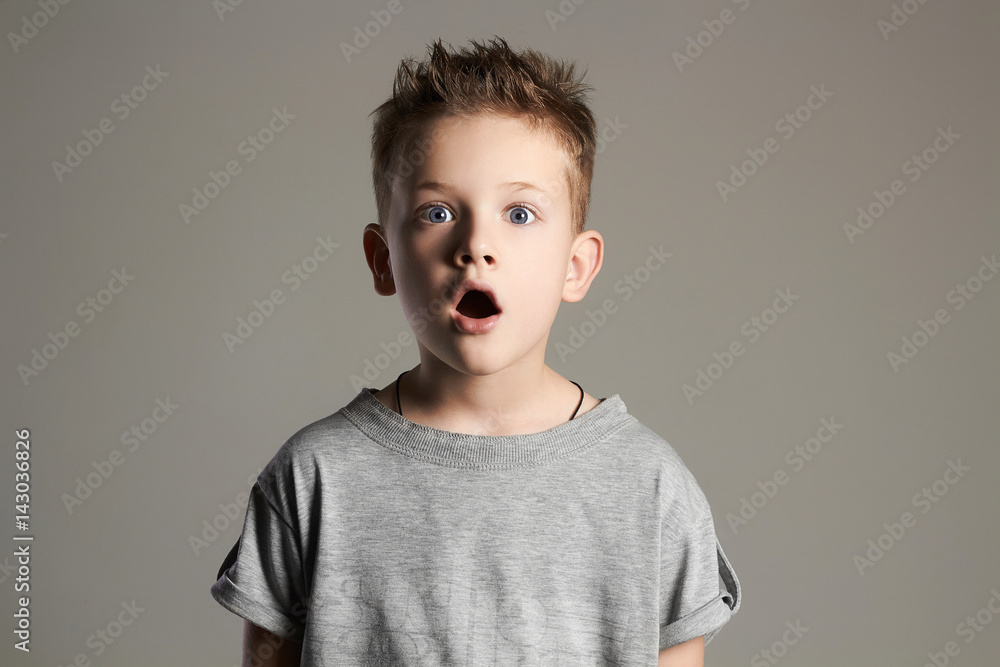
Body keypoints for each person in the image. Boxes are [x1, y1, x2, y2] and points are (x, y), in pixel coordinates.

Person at [210, 35, 740, 666]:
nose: (476, 245)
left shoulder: (650, 489)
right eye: (437, 212)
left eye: (519, 214)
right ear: (383, 261)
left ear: (576, 266)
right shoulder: (314, 478)